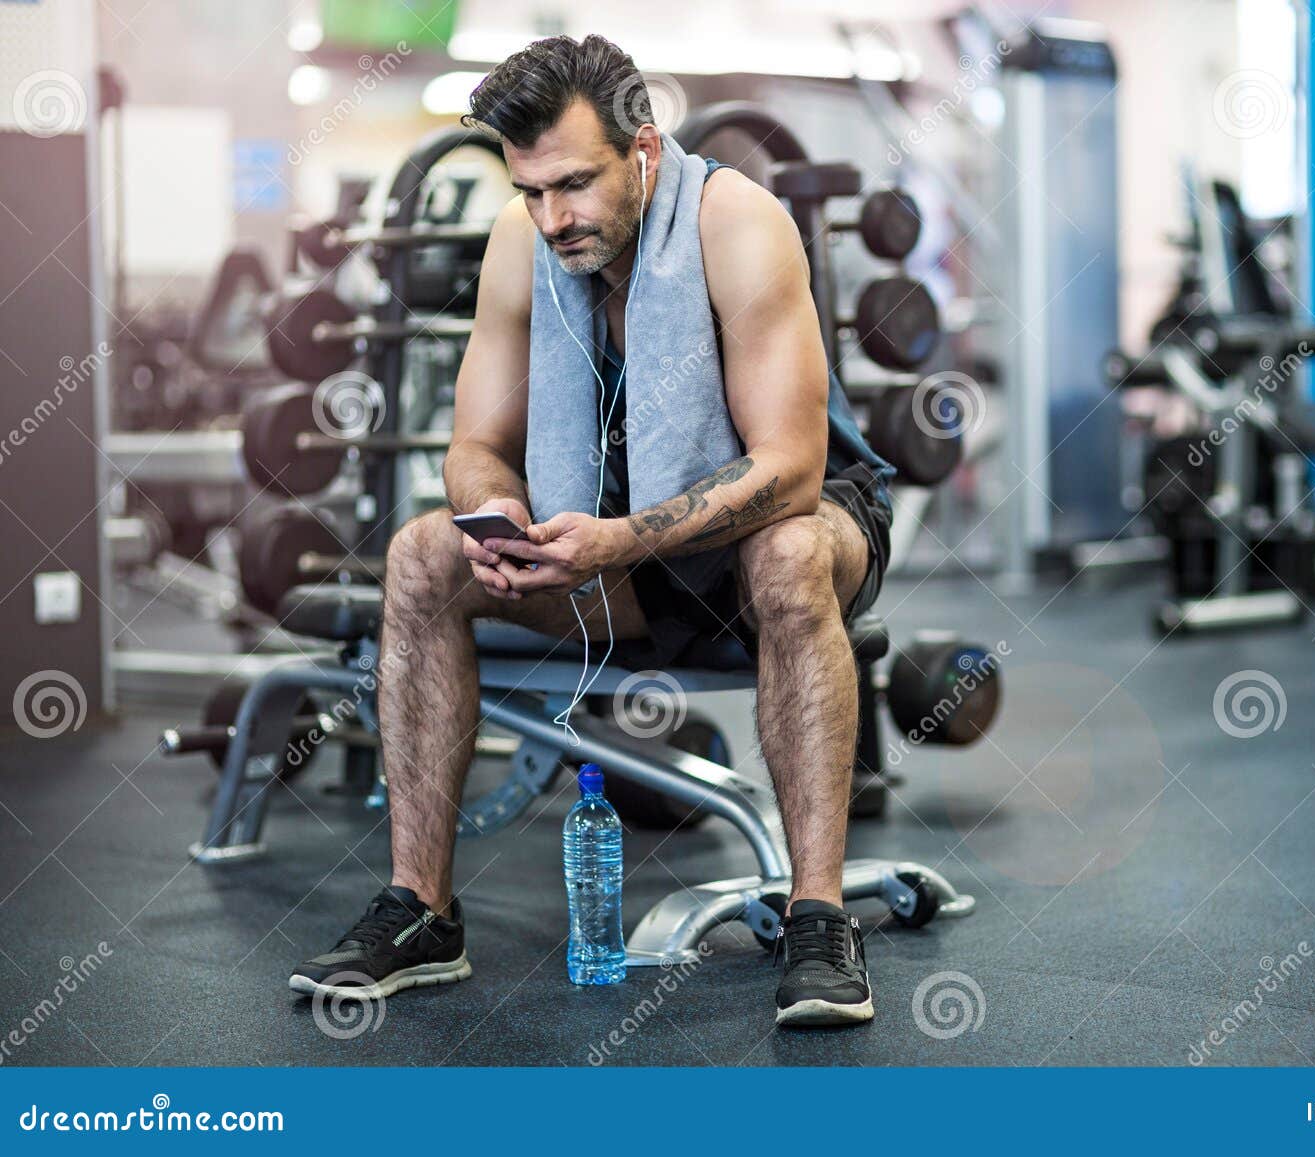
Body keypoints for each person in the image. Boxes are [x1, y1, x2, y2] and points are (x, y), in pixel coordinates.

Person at [289, 34, 894, 1028]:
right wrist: (503, 519)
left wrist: (618, 541)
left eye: (573, 183)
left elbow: (791, 466)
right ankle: (422, 910)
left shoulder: (736, 222)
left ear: (643, 151)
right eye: (531, 190)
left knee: (787, 556)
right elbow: (476, 445)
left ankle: (818, 914)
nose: (552, 216)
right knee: (421, 553)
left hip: (780, 521)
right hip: (608, 538)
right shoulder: (522, 245)